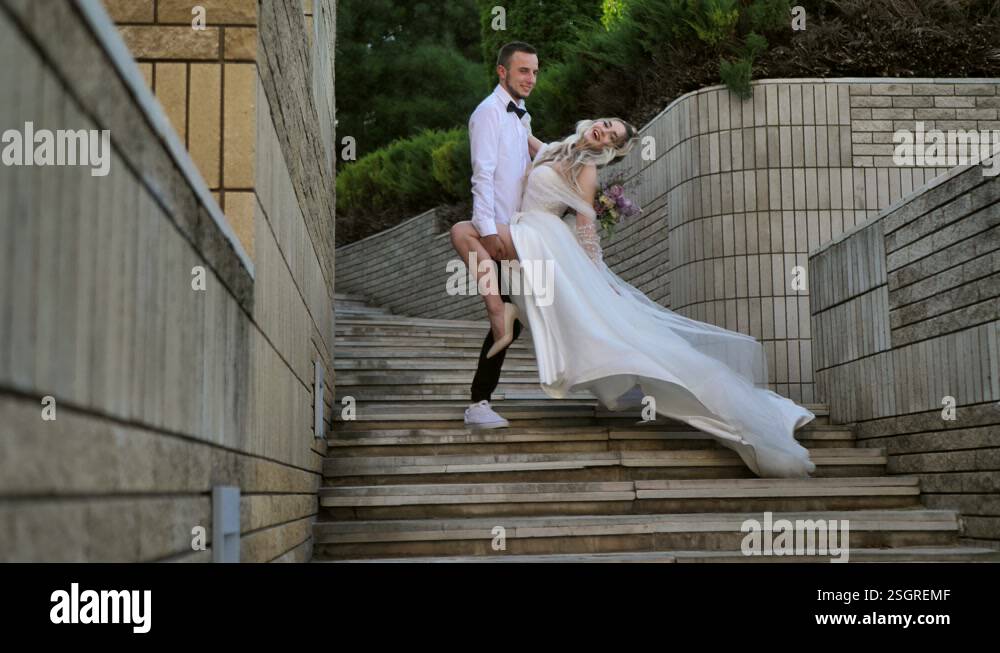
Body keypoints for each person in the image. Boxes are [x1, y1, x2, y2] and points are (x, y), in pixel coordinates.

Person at [474, 116, 818, 478]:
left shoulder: (587, 170)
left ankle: (738, 418)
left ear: (611, 149)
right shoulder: (557, 149)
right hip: (526, 242)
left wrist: (596, 277)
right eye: (606, 124)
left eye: (611, 136)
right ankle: (490, 363)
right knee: (553, 319)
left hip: (543, 247)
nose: (603, 131)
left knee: (614, 335)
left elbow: (587, 227)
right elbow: (520, 136)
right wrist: (508, 116)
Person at [450, 41, 546, 429]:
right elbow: (483, 176)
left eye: (536, 72)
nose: (531, 79)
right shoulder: (488, 113)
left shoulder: (521, 115)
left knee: (519, 317)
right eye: (524, 71)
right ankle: (478, 403)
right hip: (499, 235)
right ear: (502, 72)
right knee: (508, 317)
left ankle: (480, 401)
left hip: (521, 233)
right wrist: (488, 233)